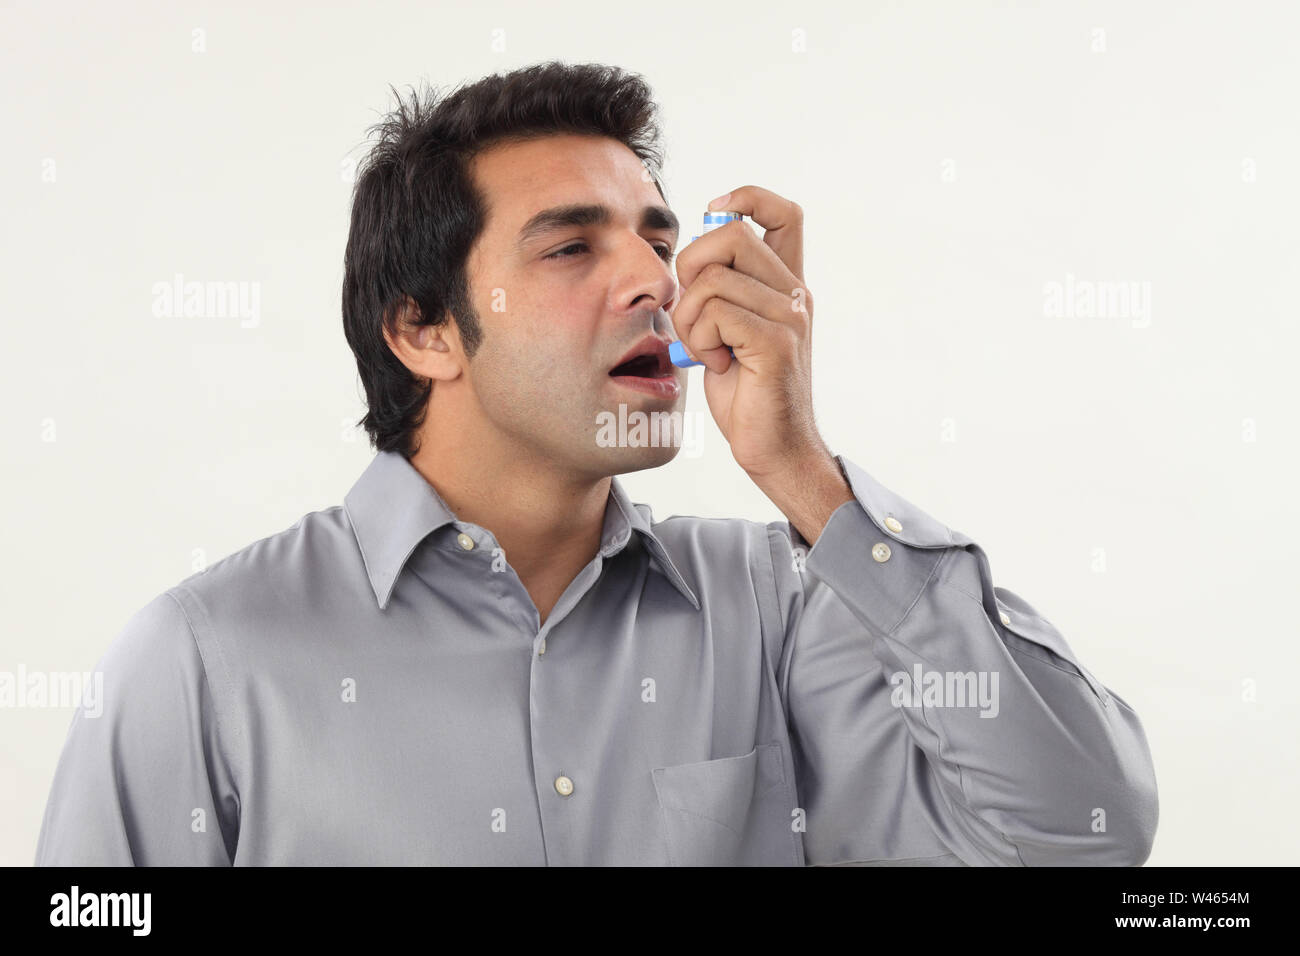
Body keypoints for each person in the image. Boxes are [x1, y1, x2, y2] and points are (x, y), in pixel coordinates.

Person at [35, 61, 1158, 866]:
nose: (657, 282)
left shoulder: (778, 606)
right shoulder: (203, 656)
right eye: (573, 245)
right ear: (424, 330)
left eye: (658, 238)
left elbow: (1077, 829)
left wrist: (804, 471)